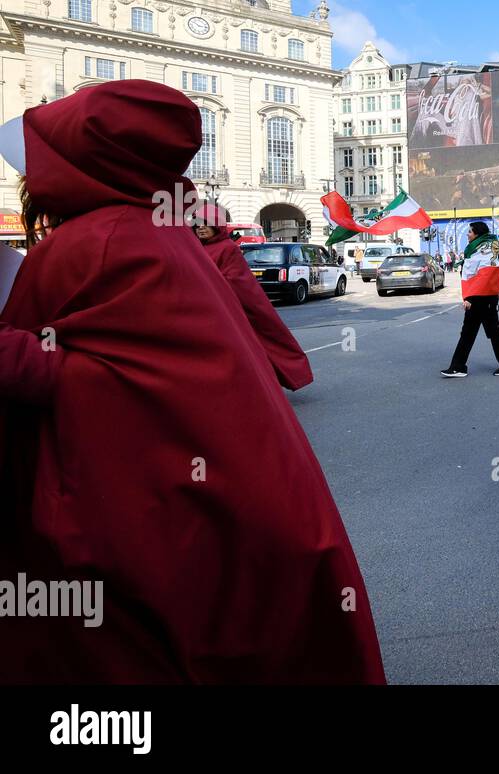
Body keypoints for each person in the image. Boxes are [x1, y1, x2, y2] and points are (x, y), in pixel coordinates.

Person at [0, 80, 384, 683]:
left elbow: (62, 376)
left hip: (150, 523)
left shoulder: (88, 242)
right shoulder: (153, 232)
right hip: (237, 505)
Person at [191, 202, 313, 390]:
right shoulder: (197, 248)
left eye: (205, 223)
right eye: (197, 223)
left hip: (227, 310)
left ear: (216, 225)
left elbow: (235, 281)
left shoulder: (227, 248)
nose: (200, 227)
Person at [441, 221, 499, 377]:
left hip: (482, 296)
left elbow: (485, 276)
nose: (468, 234)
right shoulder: (479, 247)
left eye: (470, 232)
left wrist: (470, 297)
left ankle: (460, 367)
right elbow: (475, 272)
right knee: (484, 330)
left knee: (478, 331)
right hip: (483, 296)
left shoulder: (486, 248)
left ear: (477, 233)